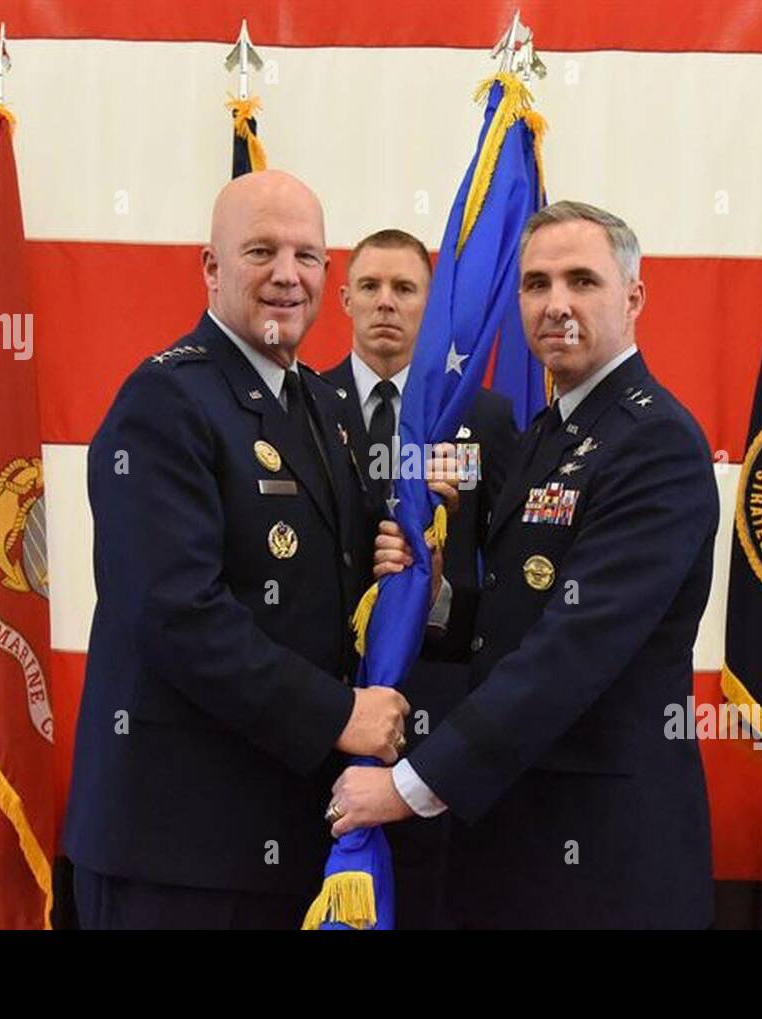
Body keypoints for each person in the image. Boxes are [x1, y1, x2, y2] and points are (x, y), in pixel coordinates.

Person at [331, 200, 720, 929]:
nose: (556, 304)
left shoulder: (654, 442)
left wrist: (410, 785)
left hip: (604, 857)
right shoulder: (549, 430)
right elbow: (515, 616)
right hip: (516, 837)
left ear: (633, 297)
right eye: (537, 284)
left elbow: (571, 649)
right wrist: (436, 594)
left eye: (582, 281)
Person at [63, 169, 410, 930]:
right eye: (261, 251)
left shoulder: (320, 404)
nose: (287, 275)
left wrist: (415, 571)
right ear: (211, 269)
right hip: (177, 850)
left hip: (285, 829)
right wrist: (337, 714)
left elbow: (343, 585)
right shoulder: (165, 402)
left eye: (308, 256)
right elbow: (175, 613)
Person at [323, 229, 518, 927]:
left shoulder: (483, 419)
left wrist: (434, 594)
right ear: (342, 299)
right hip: (325, 701)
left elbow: (510, 579)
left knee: (433, 899)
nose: (385, 304)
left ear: (430, 307)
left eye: (405, 289)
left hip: (439, 704)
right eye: (370, 287)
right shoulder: (307, 407)